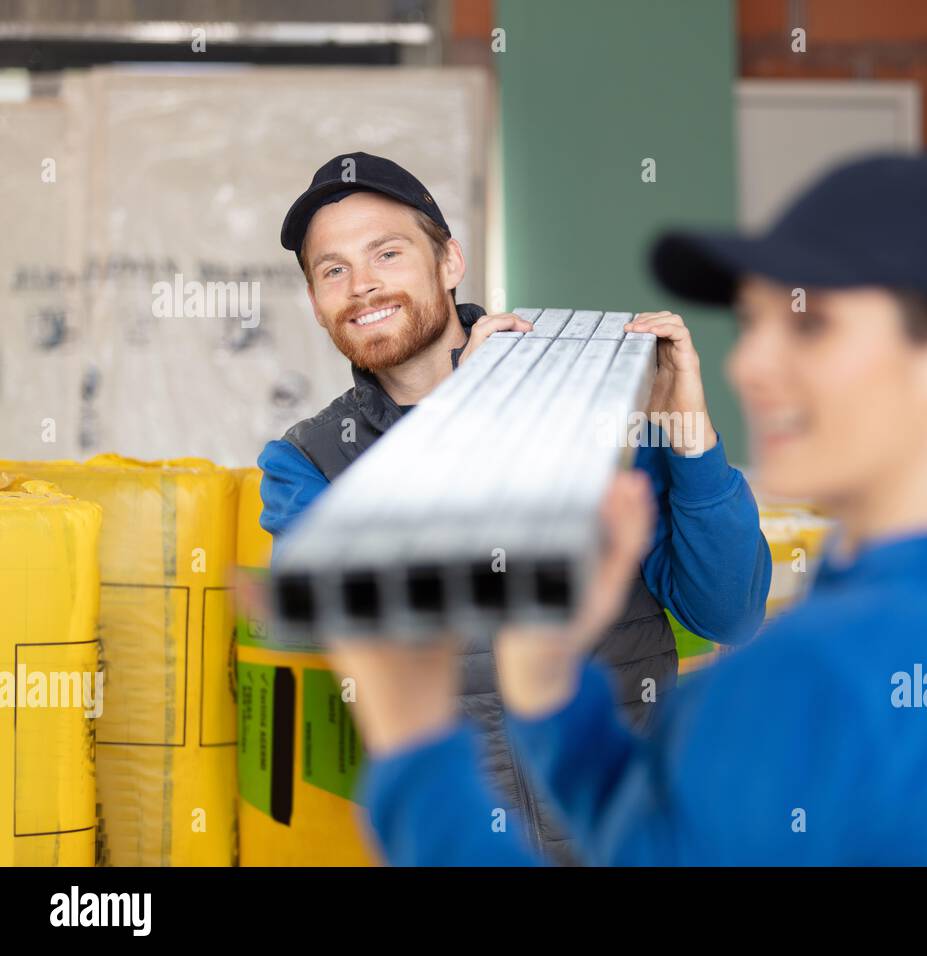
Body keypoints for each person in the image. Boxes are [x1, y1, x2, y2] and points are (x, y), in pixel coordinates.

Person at [330, 153, 927, 865]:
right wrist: (548, 674)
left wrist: (410, 745)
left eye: (810, 324)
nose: (749, 363)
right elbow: (655, 835)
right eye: (755, 321)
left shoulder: (812, 673)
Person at [258, 152, 772, 863]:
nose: (362, 283)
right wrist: (459, 420)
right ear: (316, 301)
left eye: (387, 252)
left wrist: (690, 435)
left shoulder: (588, 397)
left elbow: (730, 613)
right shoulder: (307, 461)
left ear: (449, 261)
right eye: (332, 269)